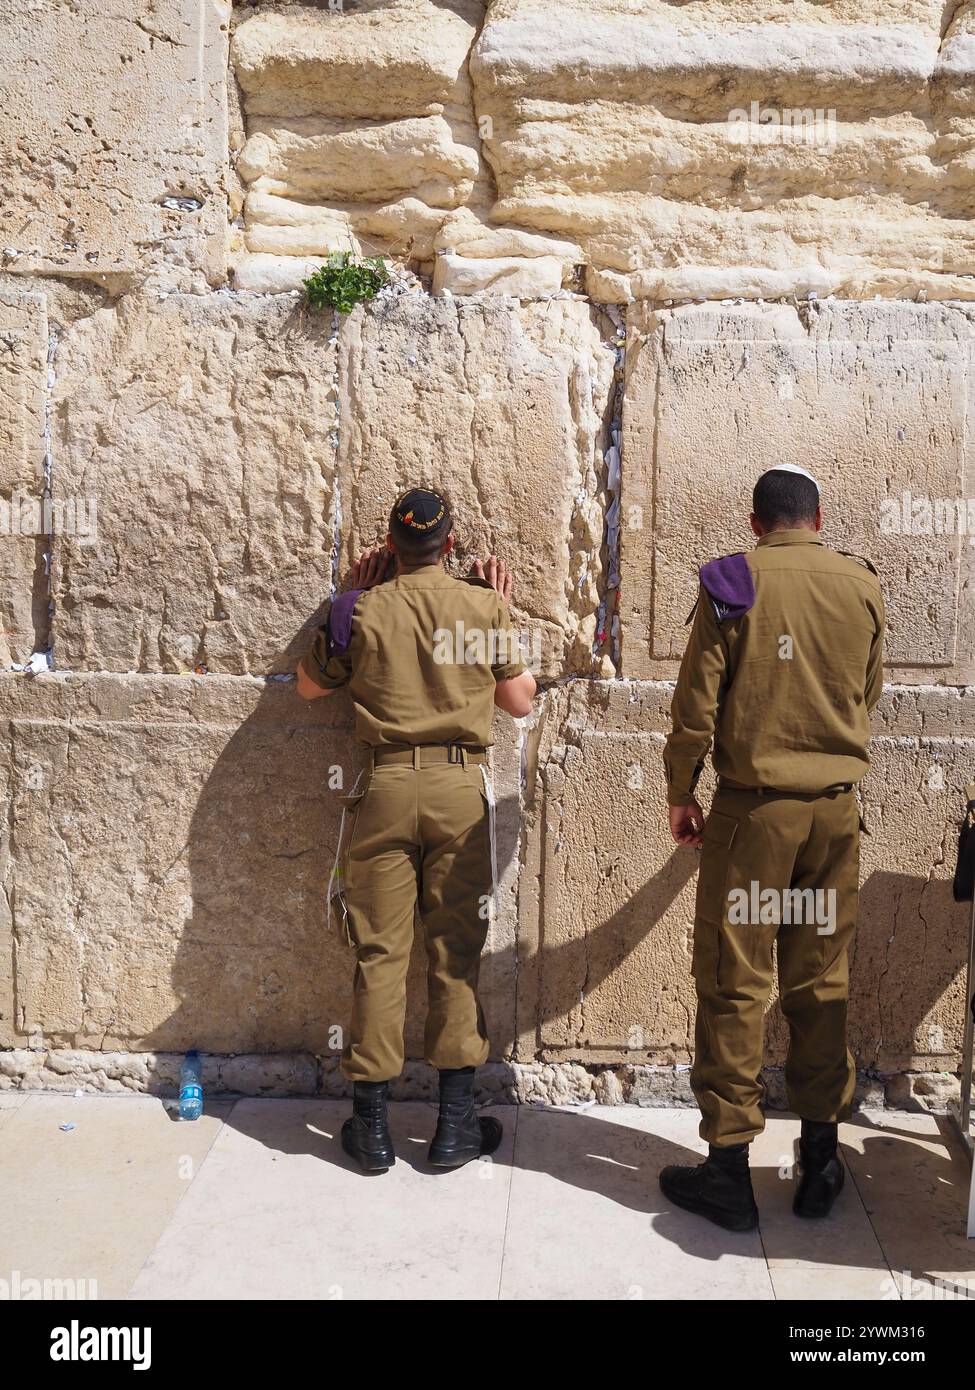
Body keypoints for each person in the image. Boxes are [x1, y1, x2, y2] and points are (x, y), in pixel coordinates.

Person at [659, 465, 885, 1231]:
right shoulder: (860, 585)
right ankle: (819, 1163)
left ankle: (727, 1170)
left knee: (733, 983)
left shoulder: (732, 582)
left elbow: (695, 704)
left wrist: (680, 788)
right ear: (816, 518)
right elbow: (866, 692)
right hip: (833, 815)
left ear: (754, 522)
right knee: (819, 985)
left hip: (754, 821)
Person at [297, 487, 537, 1173]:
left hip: (384, 788)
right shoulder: (479, 605)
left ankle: (370, 1132)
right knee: (454, 953)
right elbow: (518, 702)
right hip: (458, 790)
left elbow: (311, 689)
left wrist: (346, 600)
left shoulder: (363, 609)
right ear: (451, 545)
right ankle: (453, 1128)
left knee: (379, 953)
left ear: (389, 548)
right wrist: (497, 611)